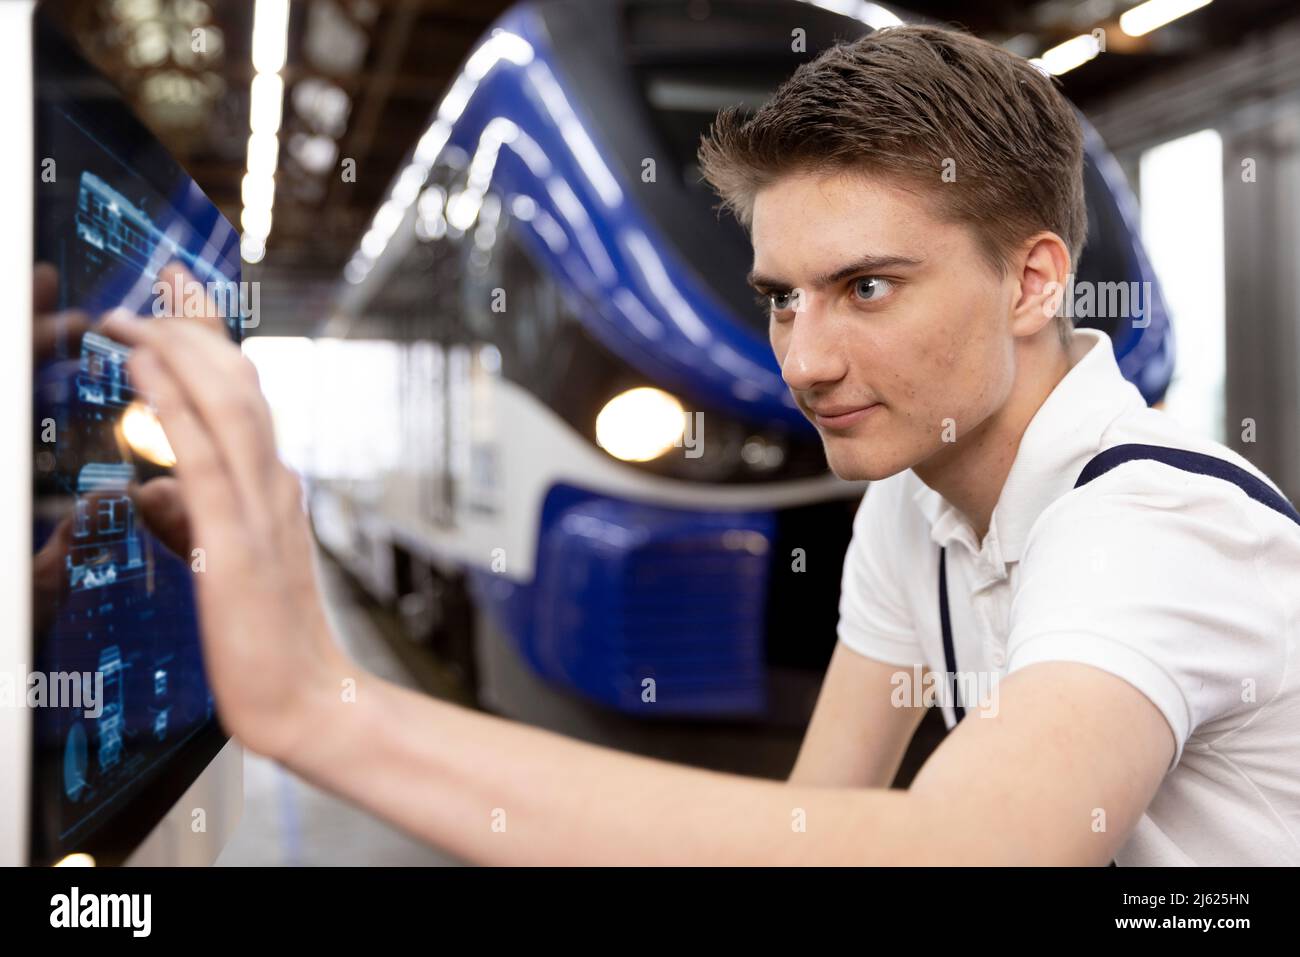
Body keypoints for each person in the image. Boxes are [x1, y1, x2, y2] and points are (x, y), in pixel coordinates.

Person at [101, 24, 1300, 865]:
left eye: (867, 287)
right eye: (783, 296)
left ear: (1034, 282)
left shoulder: (1155, 522)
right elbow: (815, 820)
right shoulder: (911, 512)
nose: (803, 360)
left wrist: (322, 705)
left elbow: (963, 851)